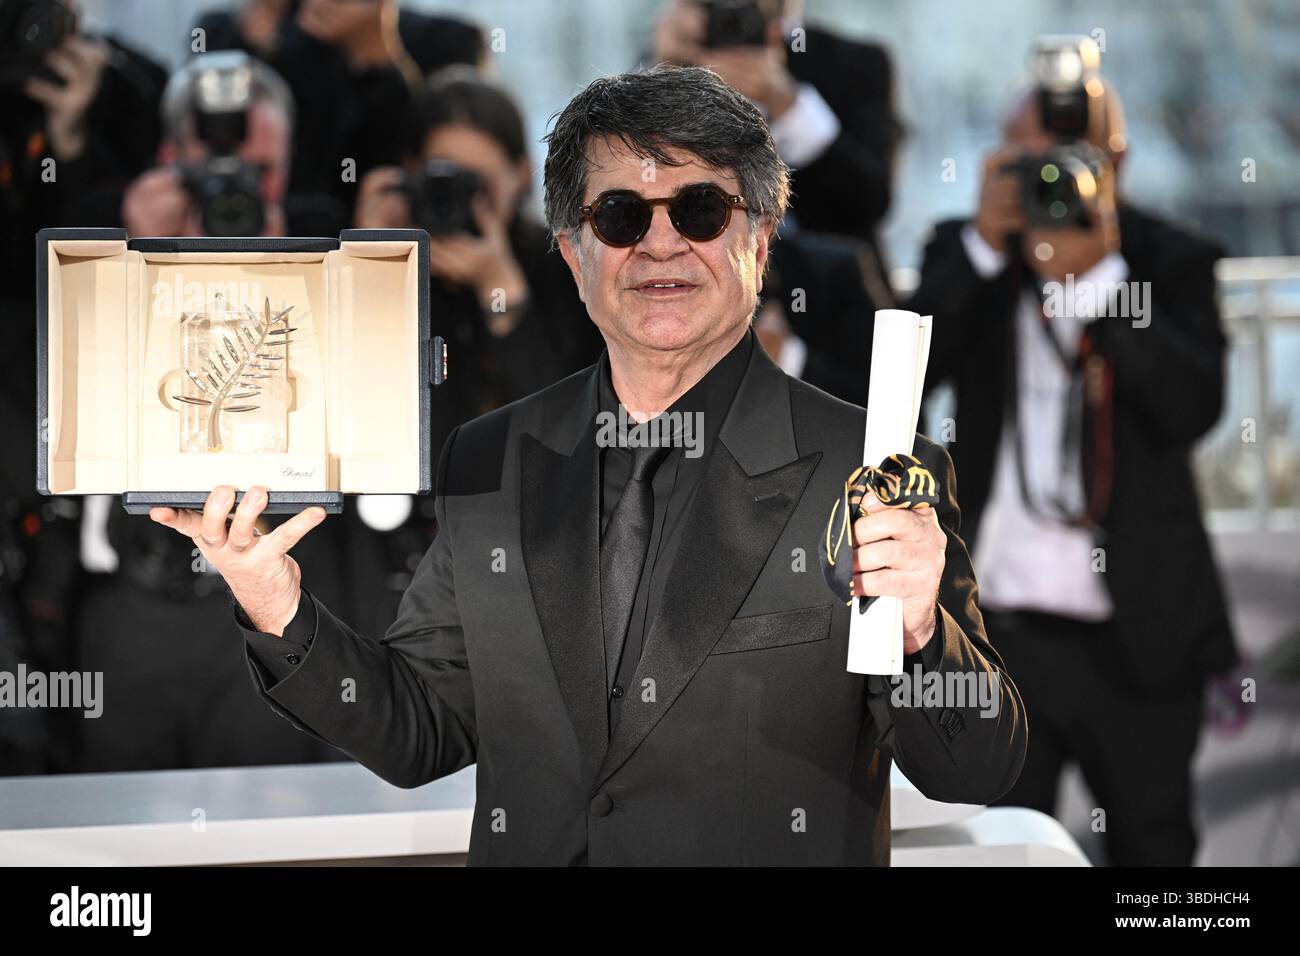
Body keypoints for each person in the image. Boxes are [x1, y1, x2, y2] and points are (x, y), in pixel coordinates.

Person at [150, 65, 1026, 866]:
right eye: (620, 216)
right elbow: (419, 732)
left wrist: (921, 634)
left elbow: (974, 768)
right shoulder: (490, 458)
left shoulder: (869, 466)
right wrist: (276, 605)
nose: (659, 245)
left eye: (700, 212)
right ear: (573, 254)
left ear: (759, 240)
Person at [907, 68, 1237, 865]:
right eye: (1031, 157)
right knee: (996, 850)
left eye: (1072, 158)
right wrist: (988, 249)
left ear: (1116, 161)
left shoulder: (1170, 256)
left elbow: (1194, 406)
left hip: (1138, 629)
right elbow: (905, 371)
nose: (1051, 178)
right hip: (995, 632)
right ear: (998, 162)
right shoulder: (968, 251)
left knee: (1154, 852)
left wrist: (1100, 283)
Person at [649, 0, 902, 273]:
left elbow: (869, 201)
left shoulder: (853, 63)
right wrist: (665, 76)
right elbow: (638, 179)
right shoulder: (673, 58)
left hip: (830, 290)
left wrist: (787, 102)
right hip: (697, 280)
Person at [192, 0, 484, 234]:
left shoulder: (448, 41)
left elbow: (434, 150)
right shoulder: (223, 32)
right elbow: (199, 137)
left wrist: (380, 58)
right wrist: (260, 37)